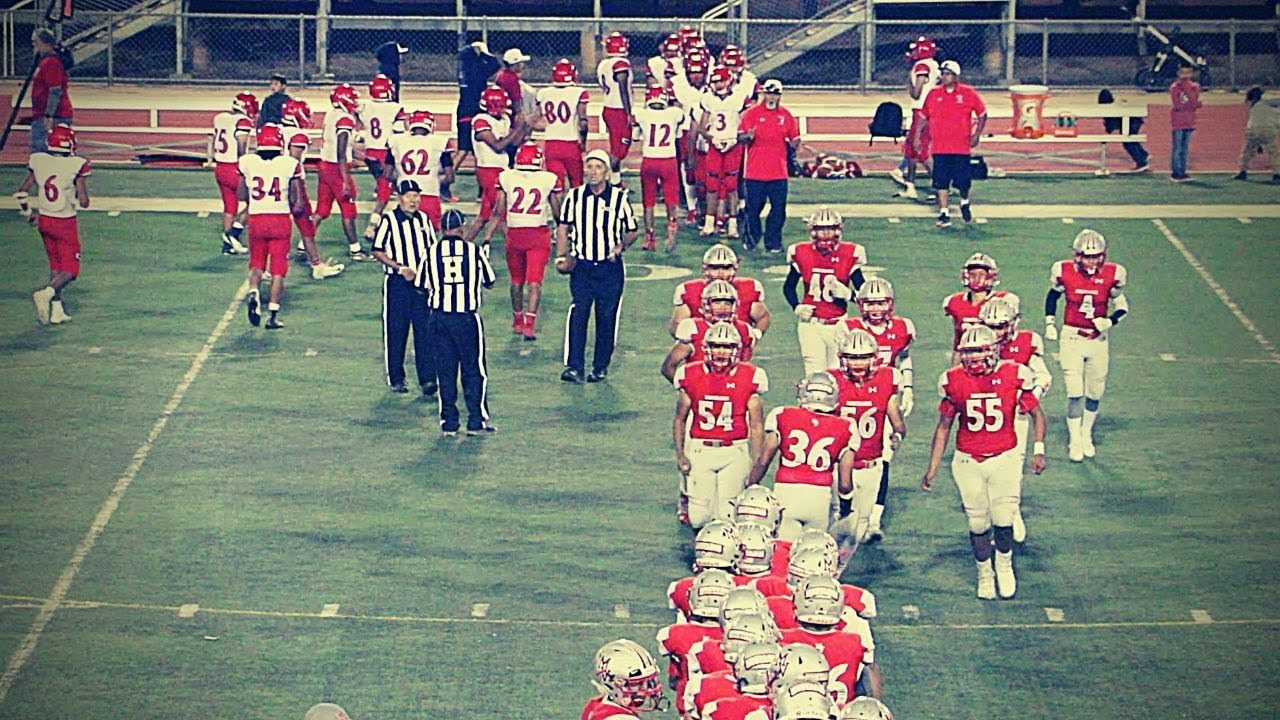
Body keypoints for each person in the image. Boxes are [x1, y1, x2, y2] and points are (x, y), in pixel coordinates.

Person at [922, 325, 1047, 600]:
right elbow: (944, 426)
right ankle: (984, 573)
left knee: (1004, 521)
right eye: (969, 352)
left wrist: (1038, 449)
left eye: (979, 351)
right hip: (968, 460)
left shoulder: (1014, 373)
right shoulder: (952, 380)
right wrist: (932, 466)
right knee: (977, 524)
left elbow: (1037, 414)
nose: (974, 357)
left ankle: (1004, 564)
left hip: (1005, 457)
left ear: (993, 350)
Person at [839, 277, 915, 541]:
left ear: (890, 303)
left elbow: (904, 359)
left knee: (882, 459)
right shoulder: (847, 327)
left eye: (880, 302)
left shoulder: (902, 328)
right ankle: (843, 512)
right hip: (854, 396)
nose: (875, 308)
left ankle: (874, 519)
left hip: (884, 396)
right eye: (870, 303)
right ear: (860, 305)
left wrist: (908, 388)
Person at [1044, 229, 1128, 463]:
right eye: (1087, 256)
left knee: (1094, 393)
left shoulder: (1113, 274)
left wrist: (1110, 321)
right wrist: (1050, 322)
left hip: (1098, 340)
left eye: (1096, 256)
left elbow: (1122, 304)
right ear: (1077, 256)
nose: (1092, 261)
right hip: (1072, 336)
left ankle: (1086, 433)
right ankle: (1074, 439)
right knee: (1074, 392)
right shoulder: (1064, 271)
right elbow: (1052, 296)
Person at [555, 149, 639, 383]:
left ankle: (600, 366)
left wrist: (620, 246)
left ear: (606, 172)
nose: (593, 172)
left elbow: (632, 230)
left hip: (609, 268)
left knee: (606, 317)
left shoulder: (619, 198)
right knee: (578, 313)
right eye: (589, 167)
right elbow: (563, 226)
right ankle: (574, 366)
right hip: (582, 266)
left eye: (598, 167)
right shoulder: (574, 197)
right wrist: (561, 255)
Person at [673, 322, 767, 530]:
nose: (721, 352)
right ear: (706, 348)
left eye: (727, 347)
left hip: (735, 448)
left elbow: (756, 425)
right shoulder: (690, 374)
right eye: (716, 346)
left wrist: (757, 461)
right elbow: (680, 418)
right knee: (698, 517)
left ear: (737, 349)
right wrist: (680, 454)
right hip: (701, 448)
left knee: (728, 515)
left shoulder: (751, 376)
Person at [748, 372, 859, 541]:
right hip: (819, 497)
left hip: (786, 492)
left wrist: (751, 483)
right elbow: (845, 483)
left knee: (783, 550)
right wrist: (845, 507)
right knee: (811, 554)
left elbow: (764, 459)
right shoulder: (847, 427)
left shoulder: (782, 414)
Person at [418, 209, 496, 437]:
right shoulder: (473, 251)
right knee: (473, 370)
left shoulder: (431, 252)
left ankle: (449, 423)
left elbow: (422, 285)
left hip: (439, 318)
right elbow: (490, 280)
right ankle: (475, 421)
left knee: (445, 370)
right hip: (465, 318)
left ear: (442, 229)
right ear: (462, 229)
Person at [979, 297, 1050, 542]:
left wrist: (1030, 397)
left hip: (1014, 416)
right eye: (990, 326)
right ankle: (989, 517)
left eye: (1000, 326)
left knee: (1011, 468)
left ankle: (1011, 512)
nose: (995, 332)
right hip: (983, 413)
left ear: (1012, 324)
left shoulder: (1025, 342)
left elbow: (1043, 376)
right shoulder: (975, 342)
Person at [828, 330, 907, 551]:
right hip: (840, 465)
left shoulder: (886, 380)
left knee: (860, 528)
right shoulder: (832, 381)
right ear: (843, 357)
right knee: (838, 521)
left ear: (873, 357)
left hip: (872, 464)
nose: (858, 363)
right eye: (853, 357)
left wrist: (897, 435)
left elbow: (897, 421)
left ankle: (838, 570)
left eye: (863, 357)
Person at [371, 179, 438, 397]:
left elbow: (430, 248)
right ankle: (396, 377)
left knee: (425, 331)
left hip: (421, 283)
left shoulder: (424, 220)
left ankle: (427, 378)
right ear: (399, 198)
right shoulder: (389, 220)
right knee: (396, 331)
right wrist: (399, 268)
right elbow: (378, 250)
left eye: (416, 196)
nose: (413, 200)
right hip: (398, 283)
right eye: (409, 196)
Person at [237, 124, 306, 330]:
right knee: (278, 269)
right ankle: (273, 315)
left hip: (257, 218)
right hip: (279, 219)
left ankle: (253, 290)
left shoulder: (247, 162)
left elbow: (241, 195)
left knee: (257, 263)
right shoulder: (289, 164)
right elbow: (298, 202)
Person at [783, 206, 867, 376]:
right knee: (814, 374)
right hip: (811, 324)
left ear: (839, 230)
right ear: (812, 231)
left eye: (830, 229)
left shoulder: (850, 253)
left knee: (839, 374)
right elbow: (789, 286)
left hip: (839, 323)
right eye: (821, 229)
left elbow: (867, 296)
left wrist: (848, 294)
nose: (826, 234)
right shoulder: (800, 251)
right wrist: (797, 307)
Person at [496, 142, 563, 341]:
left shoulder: (506, 176)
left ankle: (517, 318)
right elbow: (557, 210)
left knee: (516, 281)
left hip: (515, 232)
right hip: (538, 233)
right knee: (534, 282)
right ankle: (529, 324)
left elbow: (499, 210)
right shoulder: (548, 178)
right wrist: (562, 227)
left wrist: (504, 229)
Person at [26, 124, 89, 326]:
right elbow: (84, 201)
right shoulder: (76, 164)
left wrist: (28, 212)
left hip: (44, 219)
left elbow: (22, 191)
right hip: (65, 222)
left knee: (56, 266)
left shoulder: (39, 160)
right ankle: (47, 293)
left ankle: (57, 310)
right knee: (71, 270)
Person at [915, 60, 987, 228]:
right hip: (940, 146)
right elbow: (924, 117)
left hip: (960, 146)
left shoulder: (968, 93)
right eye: (943, 73)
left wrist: (976, 135)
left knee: (962, 181)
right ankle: (944, 212)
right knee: (941, 180)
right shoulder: (933, 94)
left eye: (948, 73)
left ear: (956, 76)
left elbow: (982, 114)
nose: (944, 76)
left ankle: (964, 201)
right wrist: (918, 136)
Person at [279, 99, 345, 280]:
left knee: (279, 223)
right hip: (292, 184)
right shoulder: (298, 136)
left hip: (273, 182)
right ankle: (316, 265)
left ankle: (273, 264)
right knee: (305, 225)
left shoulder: (277, 130)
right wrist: (297, 193)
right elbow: (292, 163)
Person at [739, 78, 800, 253]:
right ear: (763, 94)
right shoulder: (752, 114)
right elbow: (741, 137)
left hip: (778, 172)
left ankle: (773, 241)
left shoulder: (785, 115)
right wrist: (748, 136)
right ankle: (751, 239)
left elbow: (794, 137)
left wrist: (795, 145)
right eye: (769, 93)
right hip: (755, 172)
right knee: (753, 209)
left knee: (778, 209)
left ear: (779, 96)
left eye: (775, 93)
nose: (771, 97)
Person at [661, 280, 757, 383]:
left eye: (727, 303)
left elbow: (743, 366)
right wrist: (688, 389)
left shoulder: (745, 330)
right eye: (717, 302)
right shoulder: (692, 328)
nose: (722, 307)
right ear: (706, 304)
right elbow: (668, 367)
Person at [313, 83, 366, 260]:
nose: (355, 101)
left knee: (322, 210)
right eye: (352, 98)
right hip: (336, 168)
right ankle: (355, 249)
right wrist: (344, 179)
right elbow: (341, 150)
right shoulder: (344, 119)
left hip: (325, 165)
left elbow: (338, 146)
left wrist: (359, 156)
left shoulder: (332, 115)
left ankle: (302, 245)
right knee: (348, 209)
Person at [670, 244, 769, 338]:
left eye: (726, 268)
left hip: (736, 348)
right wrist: (690, 342)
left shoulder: (749, 288)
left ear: (735, 268)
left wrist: (755, 335)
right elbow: (677, 324)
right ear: (705, 268)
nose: (720, 272)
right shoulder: (689, 290)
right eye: (715, 268)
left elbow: (762, 317)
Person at [632, 86, 687, 253]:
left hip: (649, 160)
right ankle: (672, 226)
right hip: (668, 160)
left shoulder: (642, 114)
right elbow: (678, 135)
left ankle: (649, 237)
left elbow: (635, 137)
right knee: (671, 198)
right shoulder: (674, 113)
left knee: (648, 201)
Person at [471, 86, 528, 245]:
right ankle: (516, 246)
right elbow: (498, 145)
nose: (505, 109)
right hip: (488, 170)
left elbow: (513, 144)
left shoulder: (503, 120)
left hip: (501, 170)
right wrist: (517, 128)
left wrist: (524, 127)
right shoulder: (480, 120)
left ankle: (463, 243)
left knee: (483, 216)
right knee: (503, 212)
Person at [697, 67, 749, 239]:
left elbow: (747, 124)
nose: (718, 85)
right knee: (711, 185)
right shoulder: (708, 99)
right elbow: (702, 127)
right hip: (715, 144)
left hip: (733, 146)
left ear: (729, 81)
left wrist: (735, 138)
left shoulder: (739, 98)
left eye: (721, 81)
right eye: (716, 81)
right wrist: (712, 138)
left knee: (731, 186)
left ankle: (732, 224)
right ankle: (709, 223)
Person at [381, 109, 453, 231]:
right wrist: (437, 181)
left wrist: (400, 179)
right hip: (429, 195)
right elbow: (450, 177)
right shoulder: (440, 141)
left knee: (405, 236)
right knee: (429, 237)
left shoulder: (396, 140)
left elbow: (387, 174)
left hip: (405, 196)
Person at [451, 40, 501, 202]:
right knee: (478, 152)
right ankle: (481, 191)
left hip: (463, 108)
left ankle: (445, 183)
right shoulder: (476, 68)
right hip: (474, 109)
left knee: (464, 150)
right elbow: (494, 66)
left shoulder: (464, 67)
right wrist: (485, 52)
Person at [892, 36, 940, 199]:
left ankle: (939, 185)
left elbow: (917, 92)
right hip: (928, 110)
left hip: (922, 112)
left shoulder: (922, 65)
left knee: (921, 151)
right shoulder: (933, 65)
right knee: (913, 149)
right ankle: (910, 185)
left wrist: (909, 84)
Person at [360, 74, 407, 243]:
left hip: (370, 152)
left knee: (396, 188)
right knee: (385, 194)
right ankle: (371, 228)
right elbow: (400, 132)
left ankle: (402, 220)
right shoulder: (395, 108)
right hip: (385, 154)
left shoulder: (365, 107)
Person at [942, 252, 1019, 354]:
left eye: (981, 274)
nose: (976, 278)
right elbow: (958, 340)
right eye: (972, 274)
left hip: (1000, 355)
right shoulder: (954, 302)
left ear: (990, 276)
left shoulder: (1004, 300)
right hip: (969, 357)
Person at [210, 92, 257, 255]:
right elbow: (241, 144)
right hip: (233, 168)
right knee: (257, 202)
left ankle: (227, 246)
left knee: (230, 207)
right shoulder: (242, 121)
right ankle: (233, 234)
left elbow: (216, 138)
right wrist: (244, 166)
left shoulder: (220, 117)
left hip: (220, 167)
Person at [533, 58, 589, 189]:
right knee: (577, 185)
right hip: (571, 144)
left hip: (551, 144)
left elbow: (534, 120)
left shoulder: (544, 93)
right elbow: (583, 122)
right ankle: (576, 209)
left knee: (556, 187)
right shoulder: (578, 92)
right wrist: (584, 142)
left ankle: (557, 210)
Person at [582, 639, 666, 719]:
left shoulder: (595, 705)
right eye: (636, 683)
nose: (645, 687)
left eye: (647, 681)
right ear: (612, 683)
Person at [596, 31, 635, 187]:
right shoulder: (620, 64)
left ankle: (616, 181)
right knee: (620, 149)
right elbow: (622, 87)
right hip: (619, 110)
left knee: (615, 146)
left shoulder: (604, 64)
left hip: (608, 106)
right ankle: (609, 181)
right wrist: (628, 112)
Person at [29, 29, 73, 153]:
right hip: (49, 113)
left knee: (40, 152)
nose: (34, 45)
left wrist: (49, 115)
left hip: (55, 115)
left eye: (36, 42)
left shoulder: (51, 62)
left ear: (46, 43)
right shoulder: (48, 61)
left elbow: (55, 90)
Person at [1233, 86, 1280, 183]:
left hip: (1252, 129)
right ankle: (1277, 174)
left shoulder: (1253, 106)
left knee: (1247, 151)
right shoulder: (1268, 101)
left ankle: (1243, 171)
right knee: (1274, 153)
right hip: (1269, 129)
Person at [1098, 88, 1149, 173]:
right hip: (1134, 120)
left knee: (1128, 142)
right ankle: (1143, 155)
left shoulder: (1108, 109)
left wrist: (1105, 137)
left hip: (1131, 122)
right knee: (1132, 139)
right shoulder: (1115, 104)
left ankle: (1141, 162)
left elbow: (1110, 126)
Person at [1169, 63, 1201, 182]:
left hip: (1189, 120)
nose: (1185, 76)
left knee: (1185, 148)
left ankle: (1183, 171)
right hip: (1178, 121)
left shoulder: (1195, 86)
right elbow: (1178, 104)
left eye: (1188, 73)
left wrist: (1192, 104)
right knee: (1177, 147)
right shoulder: (1175, 87)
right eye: (1183, 73)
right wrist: (1194, 105)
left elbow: (1193, 101)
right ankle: (1176, 172)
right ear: (1178, 73)